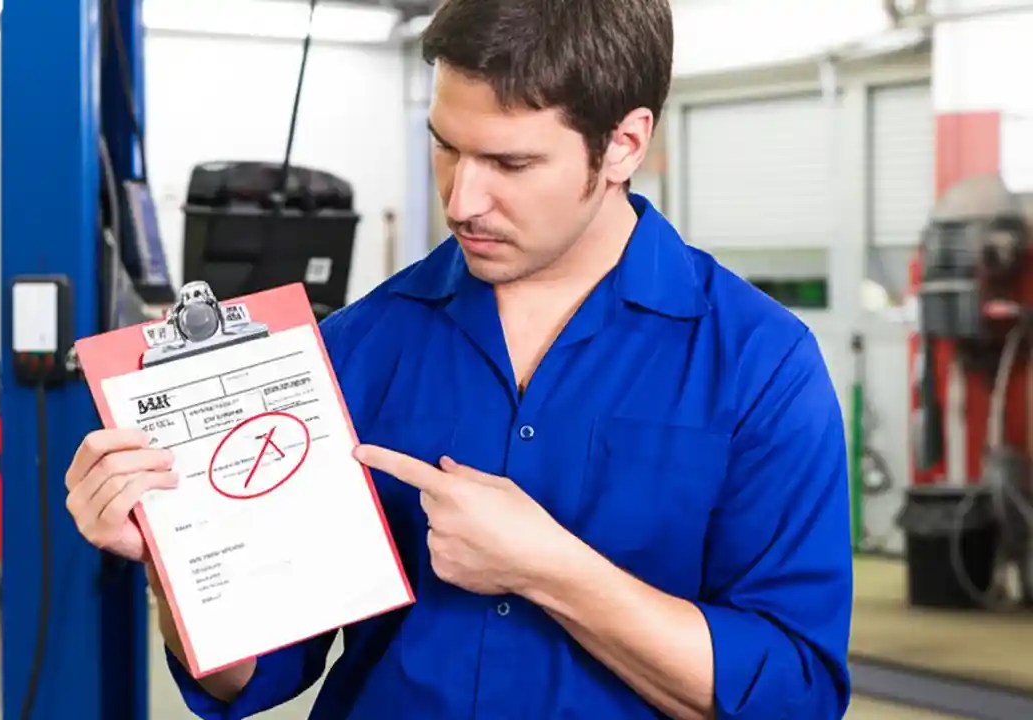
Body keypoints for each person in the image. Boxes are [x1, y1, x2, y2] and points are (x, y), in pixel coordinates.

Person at [62, 0, 854, 717]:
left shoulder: (759, 366)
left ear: (623, 144)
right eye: (446, 147)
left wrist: (548, 568)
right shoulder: (361, 346)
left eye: (510, 164)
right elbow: (261, 670)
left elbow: (794, 691)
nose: (461, 200)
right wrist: (178, 561)